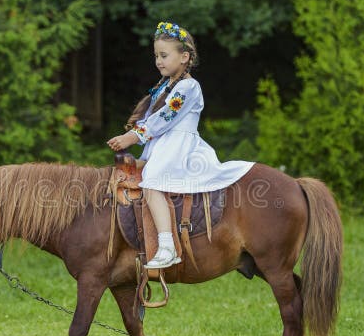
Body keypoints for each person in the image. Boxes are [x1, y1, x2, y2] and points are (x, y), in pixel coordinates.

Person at [107, 22, 255, 269]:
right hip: (162, 147)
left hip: (178, 147)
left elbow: (164, 118)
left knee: (152, 182)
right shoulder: (163, 87)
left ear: (184, 57)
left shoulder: (188, 87)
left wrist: (132, 137)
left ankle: (167, 246)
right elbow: (152, 119)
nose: (158, 61)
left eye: (164, 55)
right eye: (156, 56)